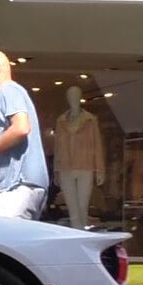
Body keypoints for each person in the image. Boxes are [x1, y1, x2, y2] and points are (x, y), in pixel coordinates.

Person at [0, 50, 49, 220]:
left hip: (18, 185)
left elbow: (20, 128)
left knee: (6, 242)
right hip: (21, 184)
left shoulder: (9, 91)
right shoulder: (9, 93)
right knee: (20, 244)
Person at [54, 85, 105, 228]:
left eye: (76, 95)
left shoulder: (90, 120)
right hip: (66, 167)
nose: (73, 99)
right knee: (72, 208)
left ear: (80, 98)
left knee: (83, 206)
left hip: (85, 165)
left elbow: (97, 145)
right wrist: (56, 170)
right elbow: (57, 147)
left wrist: (99, 169)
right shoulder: (61, 121)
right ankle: (77, 234)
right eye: (70, 96)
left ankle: (81, 233)